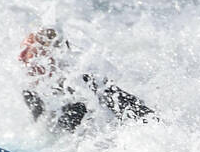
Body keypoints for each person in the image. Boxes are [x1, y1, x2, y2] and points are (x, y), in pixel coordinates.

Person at [19, 26, 154, 131]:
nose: (22, 57)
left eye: (31, 51)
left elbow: (143, 115)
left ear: (53, 55)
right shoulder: (32, 92)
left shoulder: (82, 84)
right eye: (23, 50)